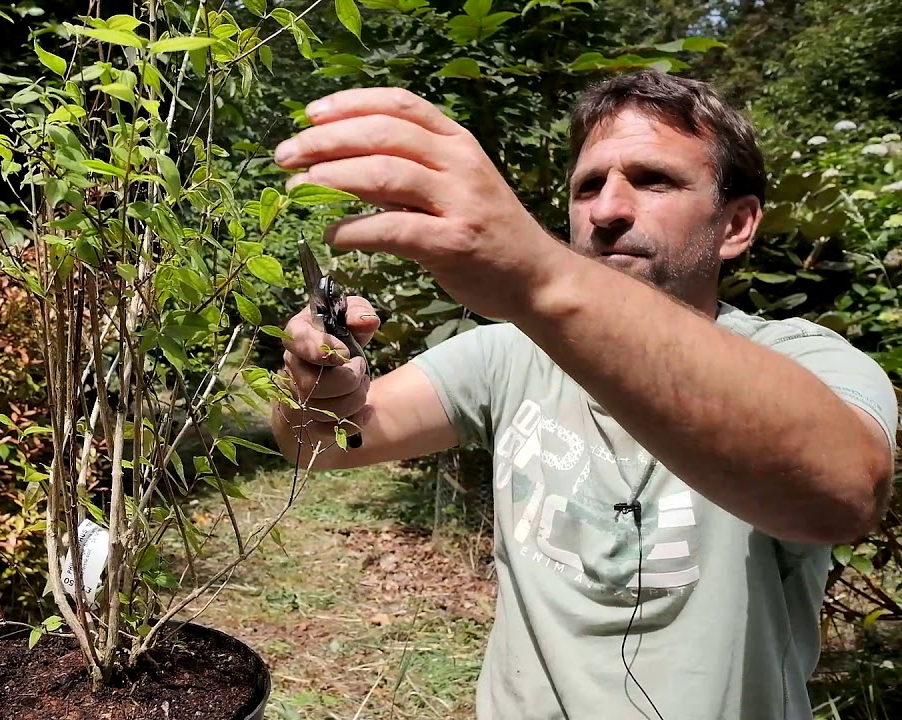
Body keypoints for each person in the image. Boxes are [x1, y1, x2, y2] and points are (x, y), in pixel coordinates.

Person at [267, 69, 898, 720]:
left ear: (736, 225)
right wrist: (314, 385)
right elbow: (319, 447)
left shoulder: (803, 360)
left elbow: (844, 492)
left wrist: (539, 277)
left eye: (653, 180)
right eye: (588, 185)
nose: (607, 210)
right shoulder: (511, 354)